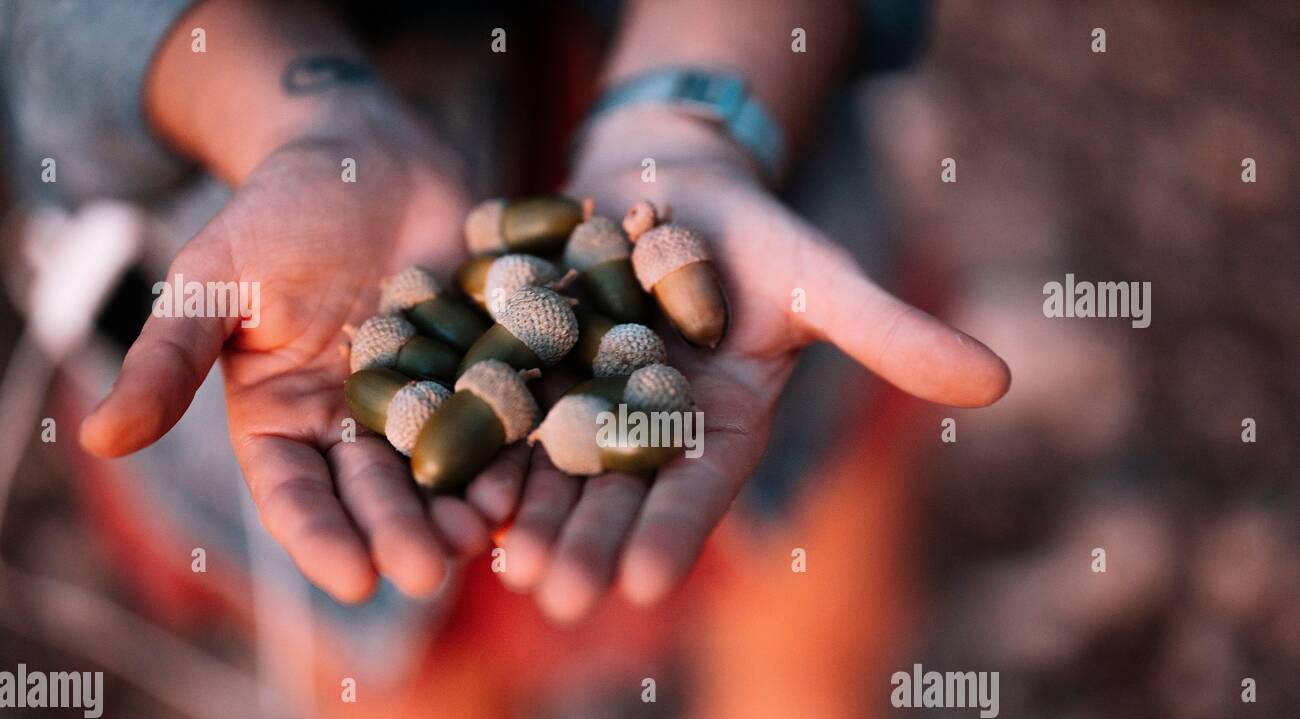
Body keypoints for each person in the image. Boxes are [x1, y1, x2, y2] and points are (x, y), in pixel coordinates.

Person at [3, 0, 1008, 624]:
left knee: (815, 630)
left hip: (768, 154)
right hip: (328, 241)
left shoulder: (588, 323)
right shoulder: (461, 345)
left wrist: (692, 115)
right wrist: (296, 119)